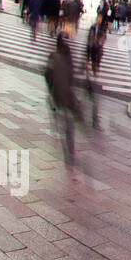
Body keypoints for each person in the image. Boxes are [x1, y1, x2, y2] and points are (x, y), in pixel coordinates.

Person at [45, 34, 80, 163]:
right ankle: (70, 149)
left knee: (63, 119)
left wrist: (51, 89)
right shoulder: (68, 56)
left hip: (57, 94)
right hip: (68, 95)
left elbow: (47, 74)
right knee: (68, 121)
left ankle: (67, 148)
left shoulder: (53, 57)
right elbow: (72, 75)